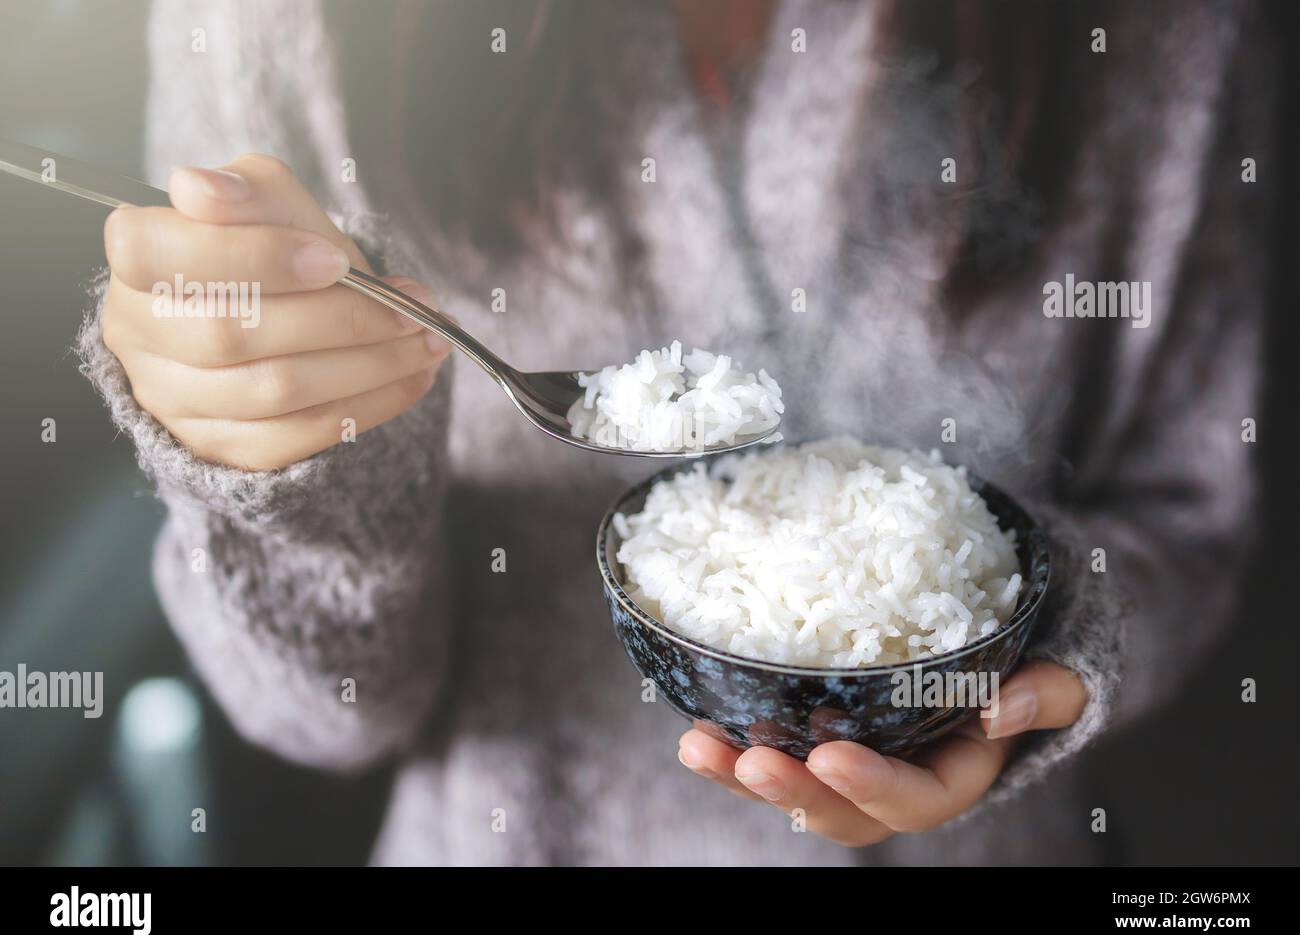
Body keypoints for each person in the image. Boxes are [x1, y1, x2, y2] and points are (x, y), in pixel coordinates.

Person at [77, 0, 1274, 864]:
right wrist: (292, 475)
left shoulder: (1171, 32)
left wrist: (1044, 640)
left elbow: (1185, 516)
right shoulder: (281, 25)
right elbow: (319, 713)